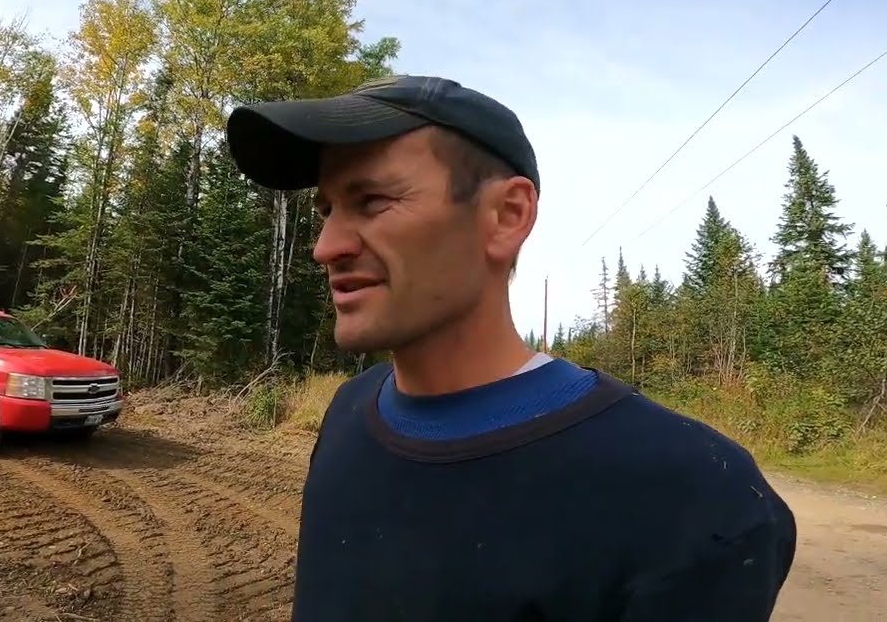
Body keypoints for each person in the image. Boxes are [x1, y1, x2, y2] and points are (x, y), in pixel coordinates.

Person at [225, 75, 798, 621]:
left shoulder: (690, 492)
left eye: (372, 201)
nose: (326, 247)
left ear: (506, 216)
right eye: (326, 210)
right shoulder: (349, 412)